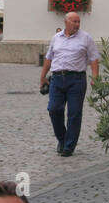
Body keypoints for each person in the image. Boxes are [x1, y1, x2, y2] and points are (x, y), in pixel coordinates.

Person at [39, 11, 99, 156]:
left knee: (74, 114)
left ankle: (69, 146)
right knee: (54, 110)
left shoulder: (86, 38)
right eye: (74, 22)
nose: (77, 24)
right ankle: (62, 138)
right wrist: (42, 77)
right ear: (66, 22)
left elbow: (94, 59)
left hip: (76, 80)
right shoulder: (56, 38)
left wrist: (95, 78)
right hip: (57, 78)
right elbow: (49, 58)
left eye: (79, 22)